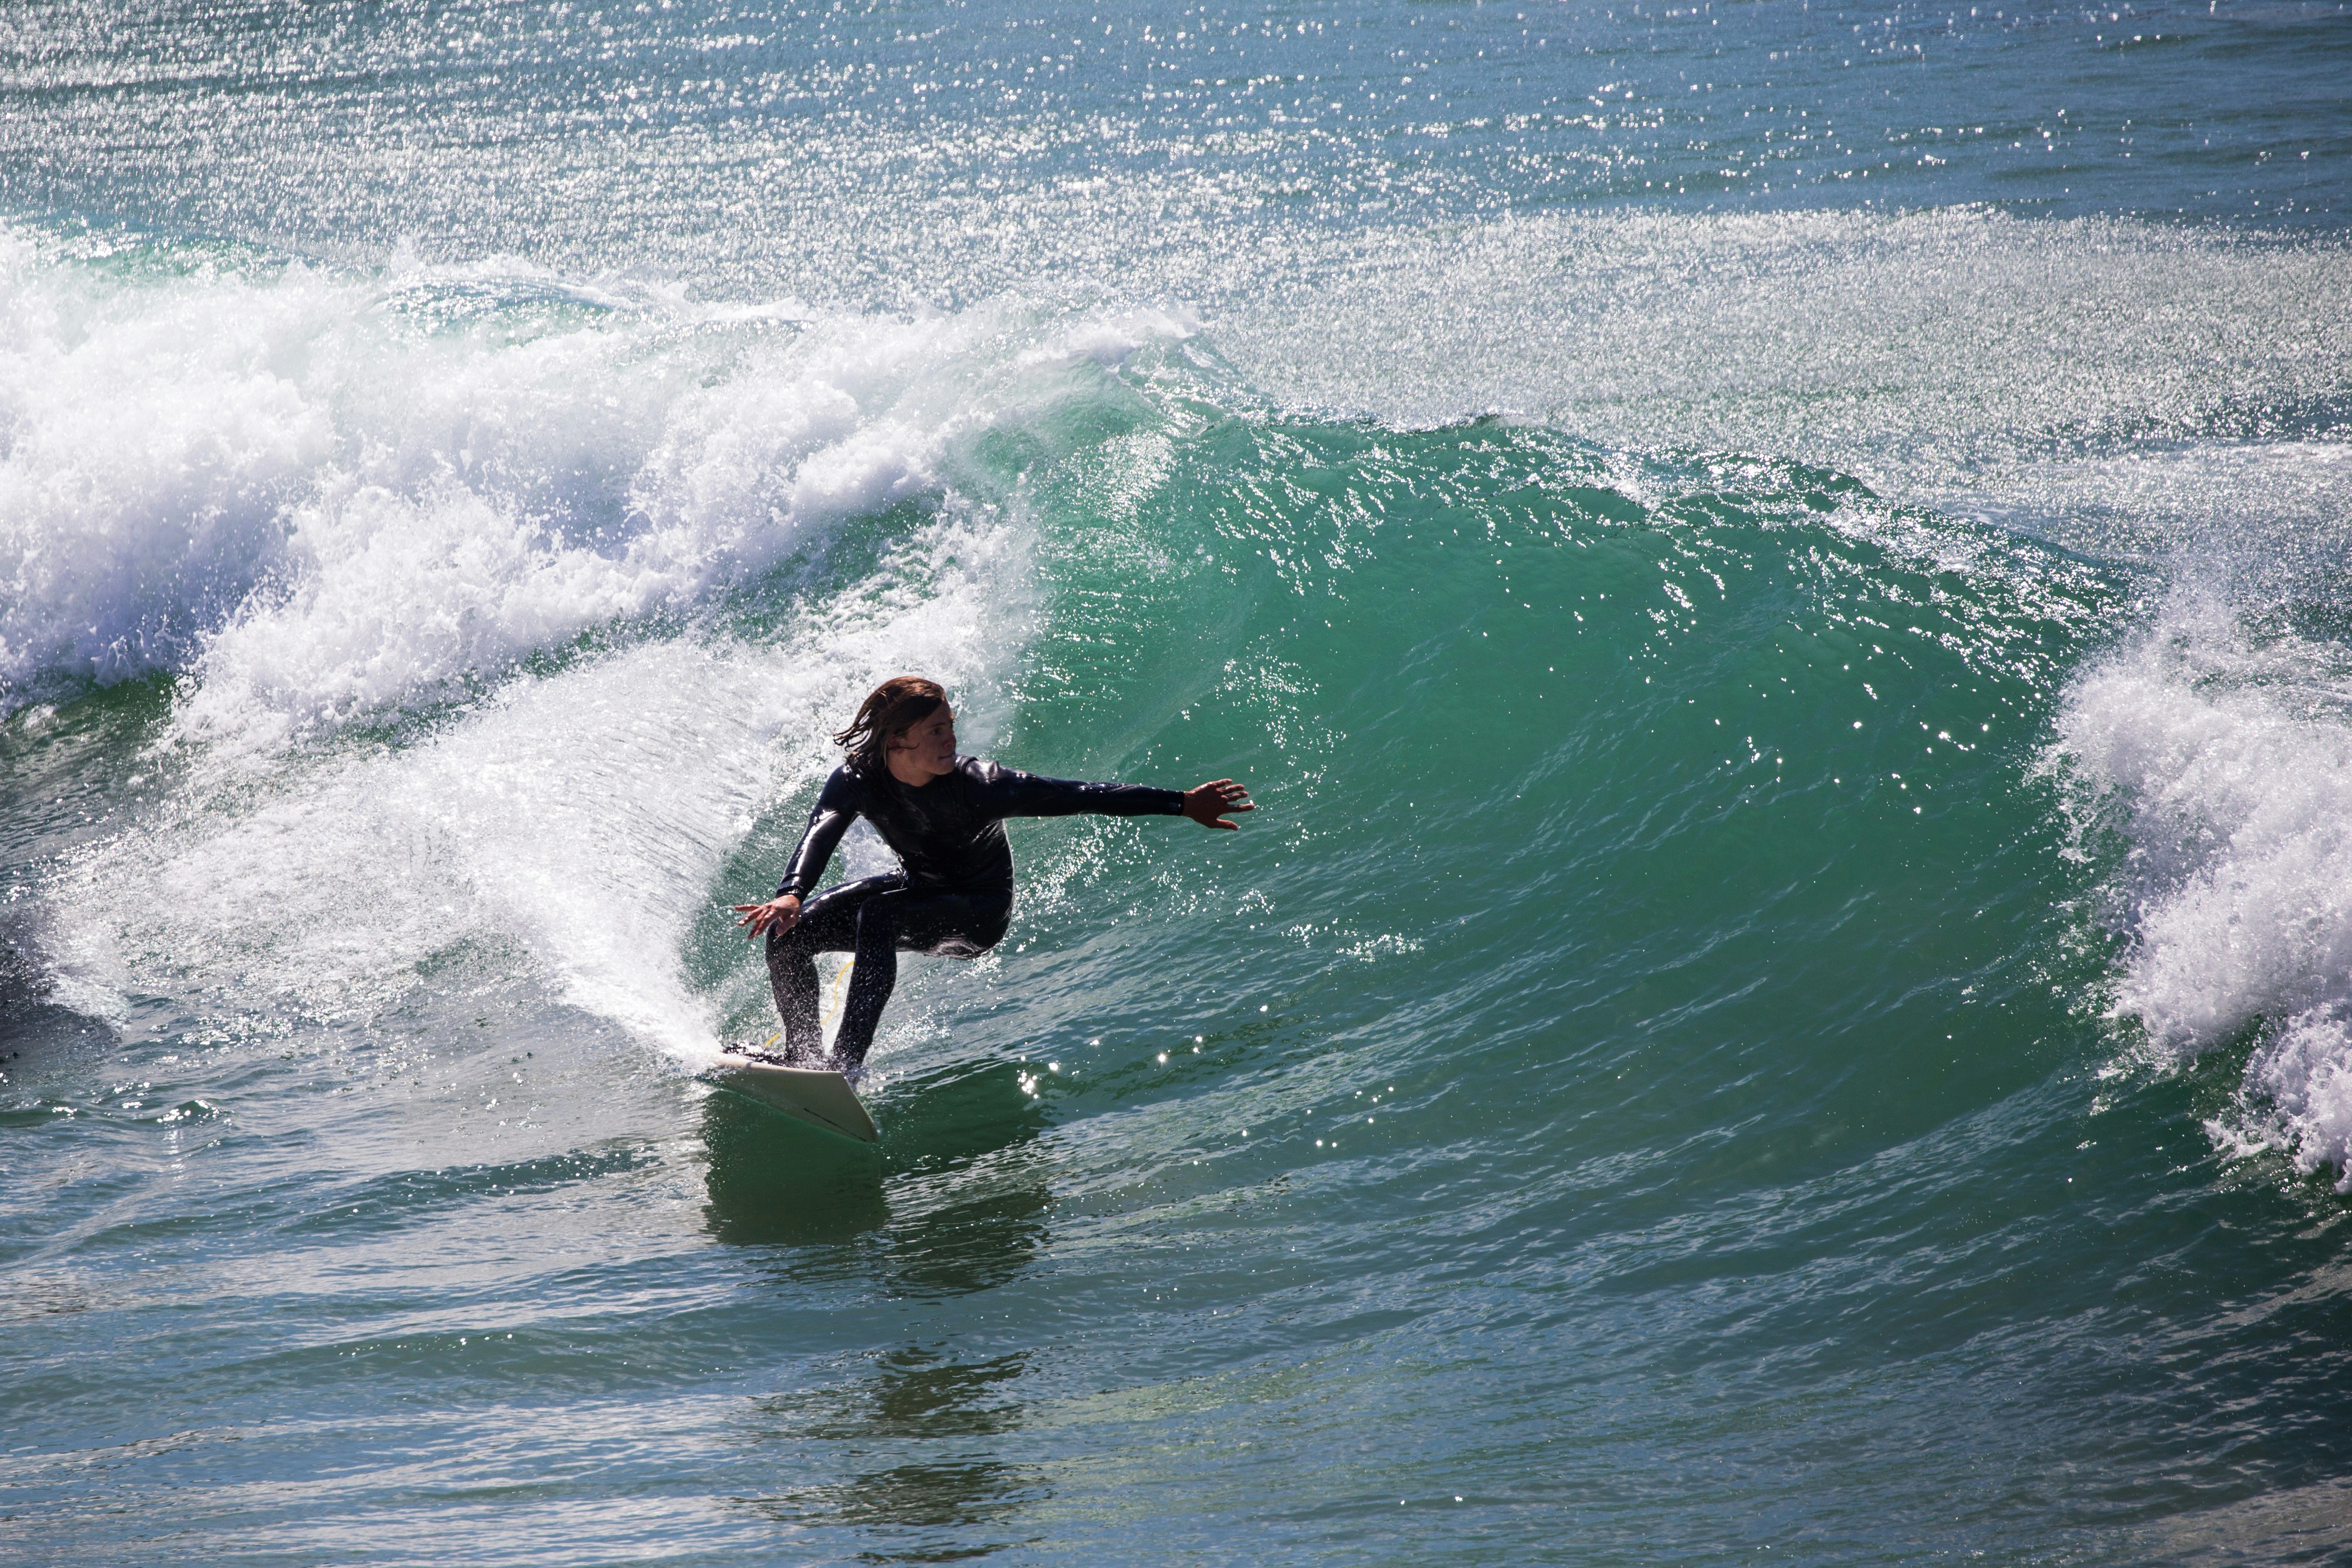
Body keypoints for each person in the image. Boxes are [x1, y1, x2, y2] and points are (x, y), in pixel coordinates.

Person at [732, 675, 1251, 1075]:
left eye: (950, 725)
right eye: (936, 730)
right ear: (898, 741)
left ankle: (845, 1068)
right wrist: (791, 894)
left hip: (979, 914)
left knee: (880, 914)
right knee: (788, 934)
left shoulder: (981, 784)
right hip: (924, 890)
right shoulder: (858, 779)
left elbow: (1080, 795)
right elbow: (822, 828)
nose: (950, 738)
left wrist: (1182, 803)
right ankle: (805, 1061)